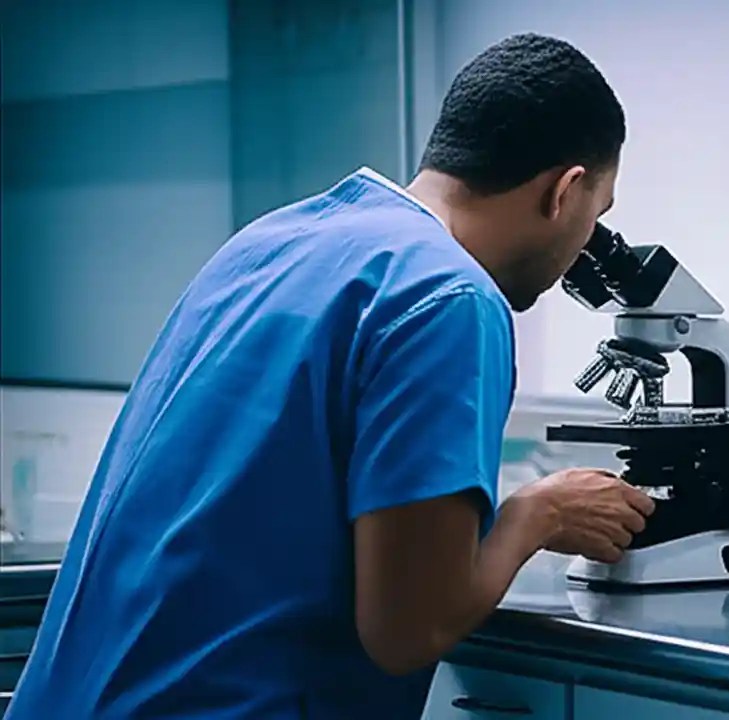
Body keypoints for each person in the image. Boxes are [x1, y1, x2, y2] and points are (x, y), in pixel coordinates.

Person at [5, 33, 654, 720]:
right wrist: (538, 512)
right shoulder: (450, 299)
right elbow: (408, 629)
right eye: (597, 216)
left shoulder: (271, 241)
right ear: (566, 190)